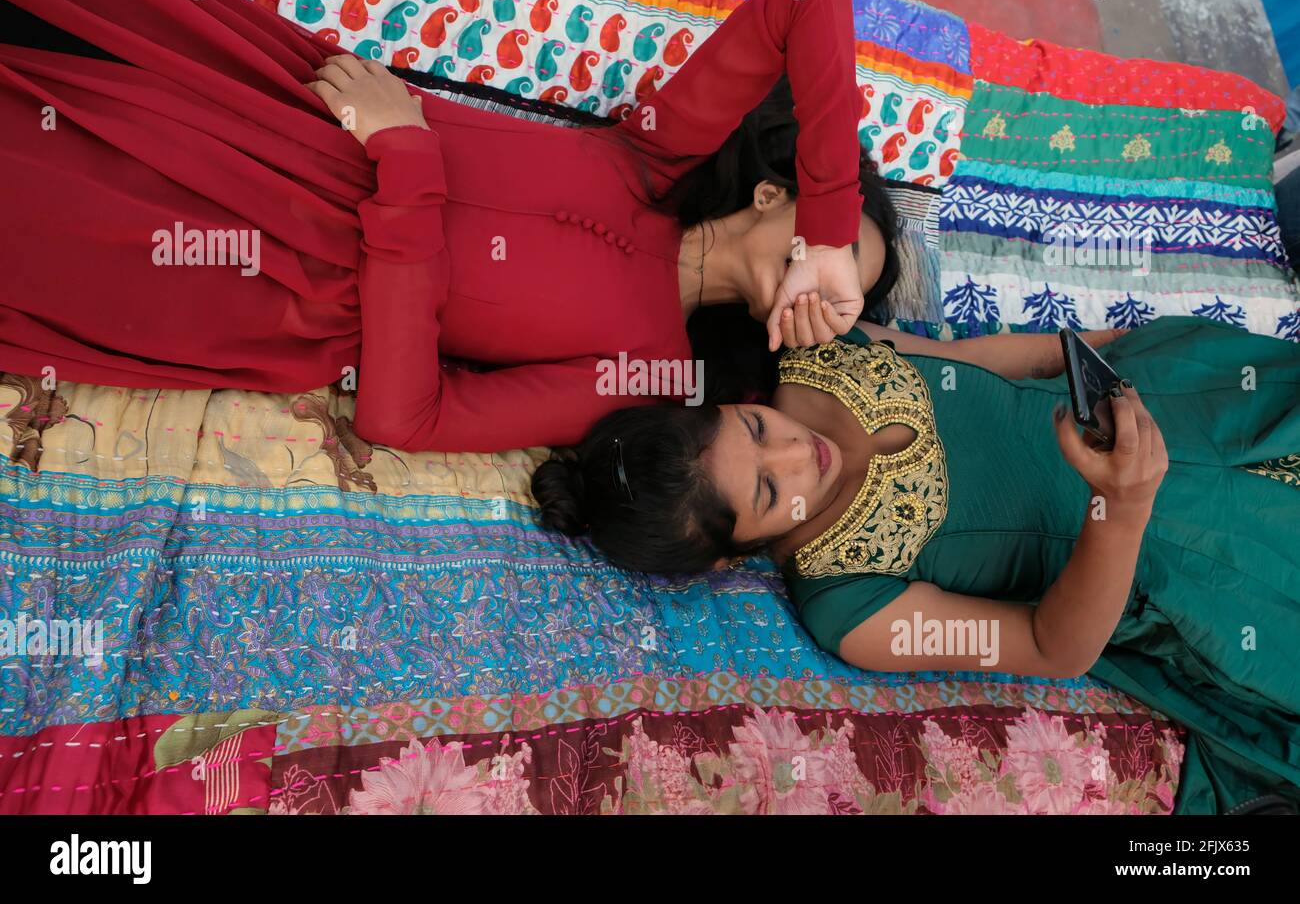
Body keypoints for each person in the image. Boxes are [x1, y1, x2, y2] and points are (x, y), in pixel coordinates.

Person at [0, 0, 895, 451]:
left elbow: (405, 418)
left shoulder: (653, 371)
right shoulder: (651, 155)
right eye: (846, 248)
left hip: (266, 269)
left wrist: (410, 159)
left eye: (846, 297)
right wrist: (828, 225)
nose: (832, 284)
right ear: (785, 191)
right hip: (270, 109)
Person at [532, 307, 1300, 813]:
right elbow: (1052, 647)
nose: (801, 452)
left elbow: (989, 360)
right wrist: (1121, 510)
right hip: (1199, 568)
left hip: (1179, 400)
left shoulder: (818, 358)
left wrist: (1095, 356)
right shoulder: (850, 604)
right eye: (771, 489)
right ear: (736, 556)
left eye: (757, 426)